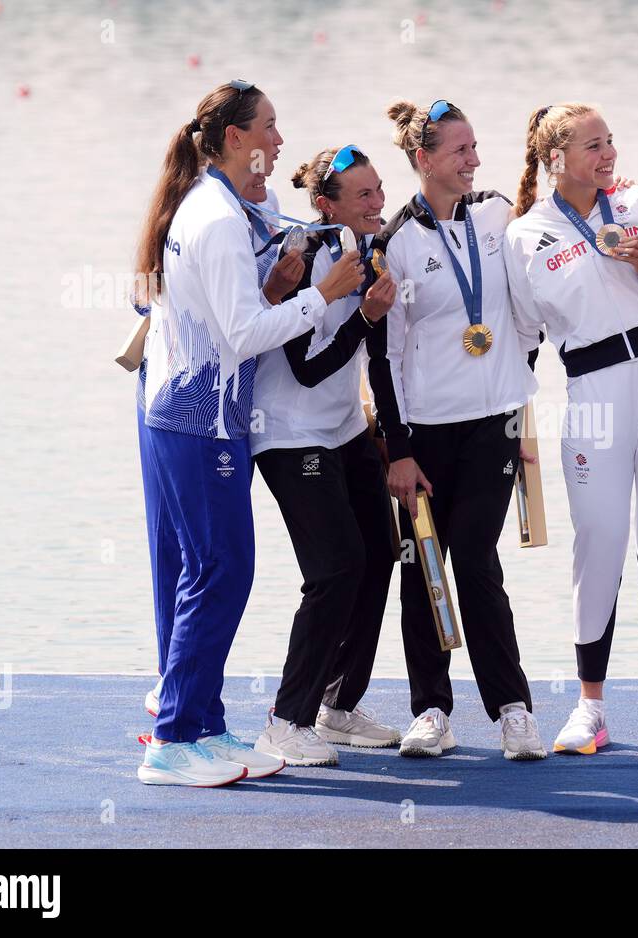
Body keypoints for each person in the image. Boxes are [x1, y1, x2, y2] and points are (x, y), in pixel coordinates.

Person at [133, 80, 365, 786]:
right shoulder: (216, 217)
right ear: (235, 138)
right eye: (268, 126)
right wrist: (318, 298)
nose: (279, 140)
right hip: (197, 419)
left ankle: (203, 722)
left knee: (222, 569)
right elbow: (243, 333)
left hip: (212, 417)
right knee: (219, 570)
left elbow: (235, 319)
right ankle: (171, 739)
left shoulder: (222, 206)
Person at [503, 103, 638, 757]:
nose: (608, 154)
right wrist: (514, 432)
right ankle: (590, 708)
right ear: (555, 158)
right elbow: (521, 344)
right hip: (591, 394)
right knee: (600, 544)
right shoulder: (525, 236)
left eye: (611, 140)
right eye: (594, 145)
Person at [367, 99, 546, 761]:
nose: (475, 161)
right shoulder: (395, 244)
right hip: (426, 434)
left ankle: (512, 710)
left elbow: (533, 304)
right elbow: (382, 356)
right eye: (461, 151)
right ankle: (432, 711)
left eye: (476, 148)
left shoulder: (501, 214)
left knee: (473, 560)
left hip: (497, 424)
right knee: (422, 569)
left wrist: (515, 372)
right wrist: (400, 450)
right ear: (424, 160)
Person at [249, 144, 405, 765]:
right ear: (325, 205)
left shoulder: (372, 252)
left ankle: (338, 706)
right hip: (290, 435)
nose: (377, 203)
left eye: (378, 190)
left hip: (345, 432)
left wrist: (397, 442)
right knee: (336, 567)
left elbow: (381, 360)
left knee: (379, 555)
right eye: (362, 195)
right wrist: (364, 317)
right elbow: (308, 369)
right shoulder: (303, 257)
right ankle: (286, 719)